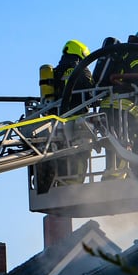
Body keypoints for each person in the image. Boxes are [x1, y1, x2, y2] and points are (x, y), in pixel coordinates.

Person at [101, 30, 138, 179]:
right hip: (123, 109)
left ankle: (115, 178)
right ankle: (116, 182)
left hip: (110, 107)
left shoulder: (124, 53)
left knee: (115, 148)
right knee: (123, 146)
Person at [53, 39, 94, 186]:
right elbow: (91, 93)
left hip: (58, 122)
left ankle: (65, 182)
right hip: (79, 120)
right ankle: (75, 183)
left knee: (63, 153)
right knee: (81, 153)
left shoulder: (56, 71)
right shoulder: (81, 69)